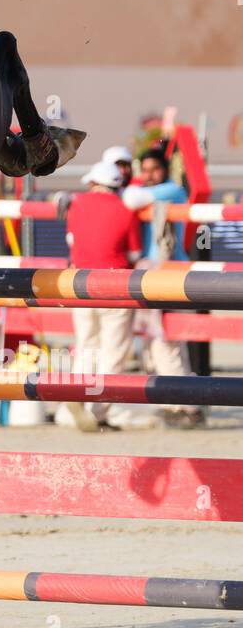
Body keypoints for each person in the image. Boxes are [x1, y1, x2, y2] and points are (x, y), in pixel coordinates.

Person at [122, 146, 202, 427]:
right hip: (154, 276)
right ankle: (179, 404)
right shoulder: (157, 192)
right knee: (159, 343)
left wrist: (133, 180)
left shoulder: (173, 190)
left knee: (168, 341)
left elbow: (131, 198)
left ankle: (184, 404)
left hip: (169, 275)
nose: (149, 175)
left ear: (165, 170)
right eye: (144, 169)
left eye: (154, 169)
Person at [62, 160, 143, 430]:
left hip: (81, 283)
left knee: (86, 346)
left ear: (95, 183)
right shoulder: (126, 211)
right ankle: (99, 410)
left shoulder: (77, 205)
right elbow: (134, 255)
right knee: (114, 351)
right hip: (116, 285)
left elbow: (72, 242)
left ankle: (75, 394)